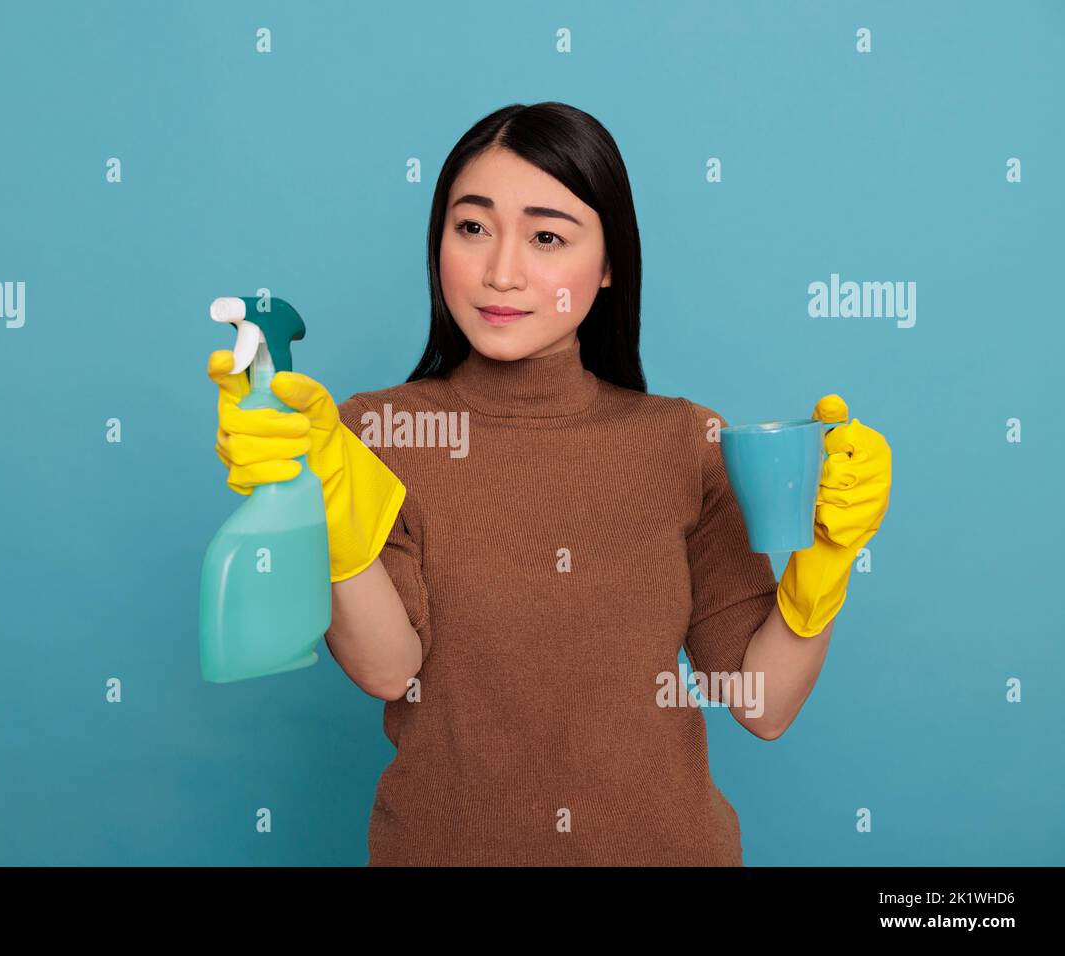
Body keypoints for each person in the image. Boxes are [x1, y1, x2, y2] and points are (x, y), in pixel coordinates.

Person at [207, 102, 892, 866]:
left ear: (607, 265)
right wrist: (321, 491)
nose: (502, 272)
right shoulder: (370, 435)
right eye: (472, 228)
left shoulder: (685, 441)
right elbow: (387, 668)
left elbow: (762, 706)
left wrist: (826, 562)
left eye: (546, 236)